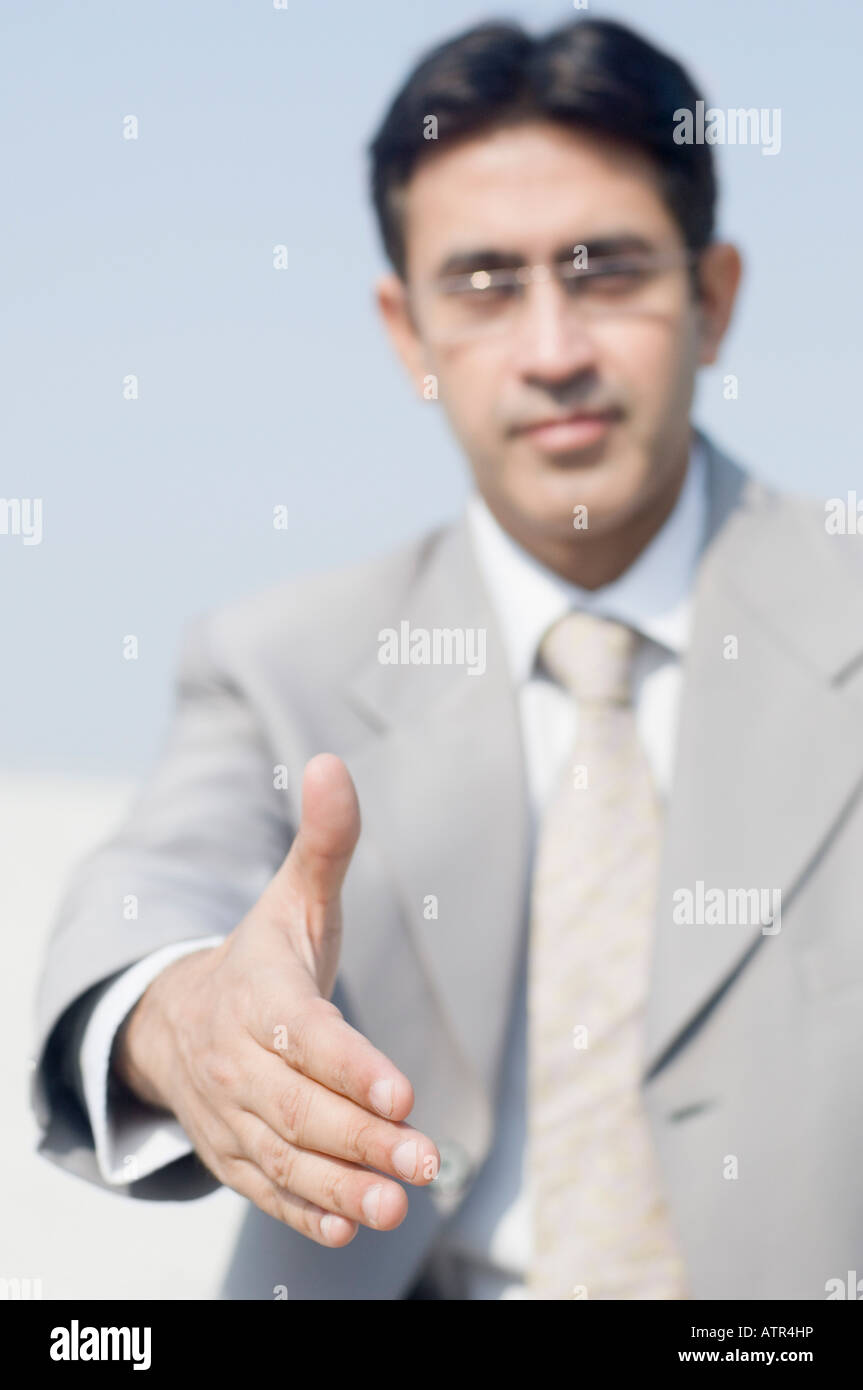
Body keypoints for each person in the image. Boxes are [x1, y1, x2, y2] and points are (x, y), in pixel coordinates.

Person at [32, 17, 863, 1301]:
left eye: (606, 273)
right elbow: (153, 885)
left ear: (712, 298)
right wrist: (184, 1018)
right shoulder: (283, 659)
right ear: (406, 332)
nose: (551, 351)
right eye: (481, 284)